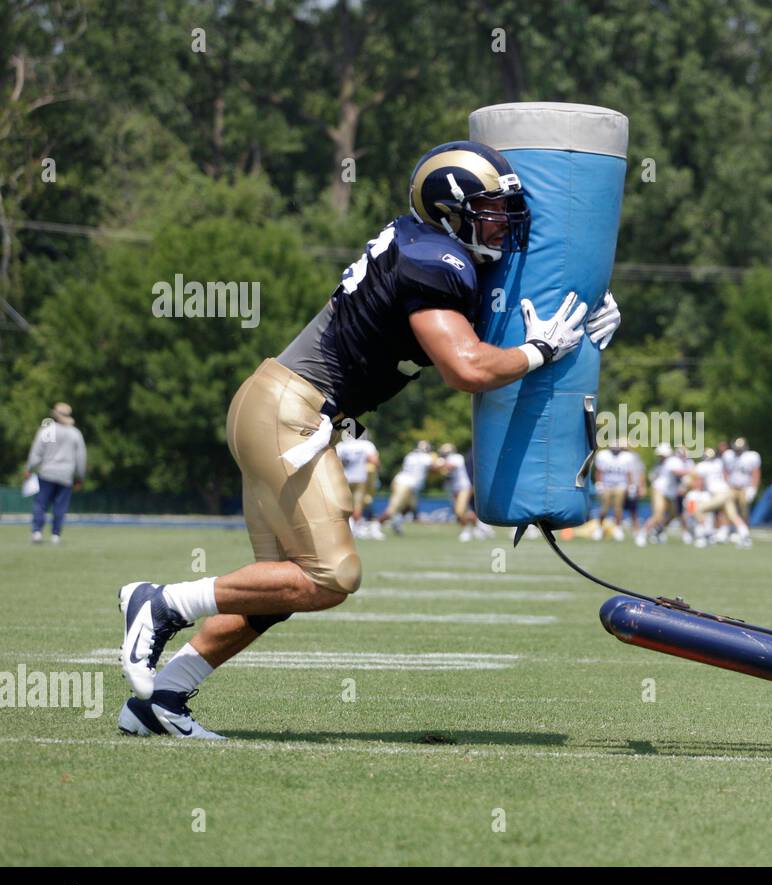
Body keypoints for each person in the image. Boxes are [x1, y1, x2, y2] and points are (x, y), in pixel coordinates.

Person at [115, 140, 622, 739]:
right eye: (490, 211)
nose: (504, 226)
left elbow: (480, 324)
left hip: (274, 405)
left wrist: (589, 316)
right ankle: (162, 601)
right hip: (292, 412)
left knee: (279, 589)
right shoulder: (437, 261)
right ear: (448, 210)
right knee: (333, 576)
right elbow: (468, 368)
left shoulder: (425, 247)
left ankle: (161, 700)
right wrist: (540, 350)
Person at [25, 402, 86, 545]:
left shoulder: (46, 430)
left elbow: (36, 453)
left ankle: (37, 532)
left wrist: (29, 468)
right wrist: (80, 477)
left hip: (47, 473)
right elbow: (81, 458)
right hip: (66, 475)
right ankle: (55, 535)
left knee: (41, 503)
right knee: (60, 506)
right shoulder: (75, 434)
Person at [378, 440, 438, 534]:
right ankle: (375, 526)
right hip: (405, 484)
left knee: (410, 507)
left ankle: (397, 522)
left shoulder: (410, 455)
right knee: (392, 509)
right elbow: (435, 468)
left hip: (403, 483)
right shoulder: (426, 457)